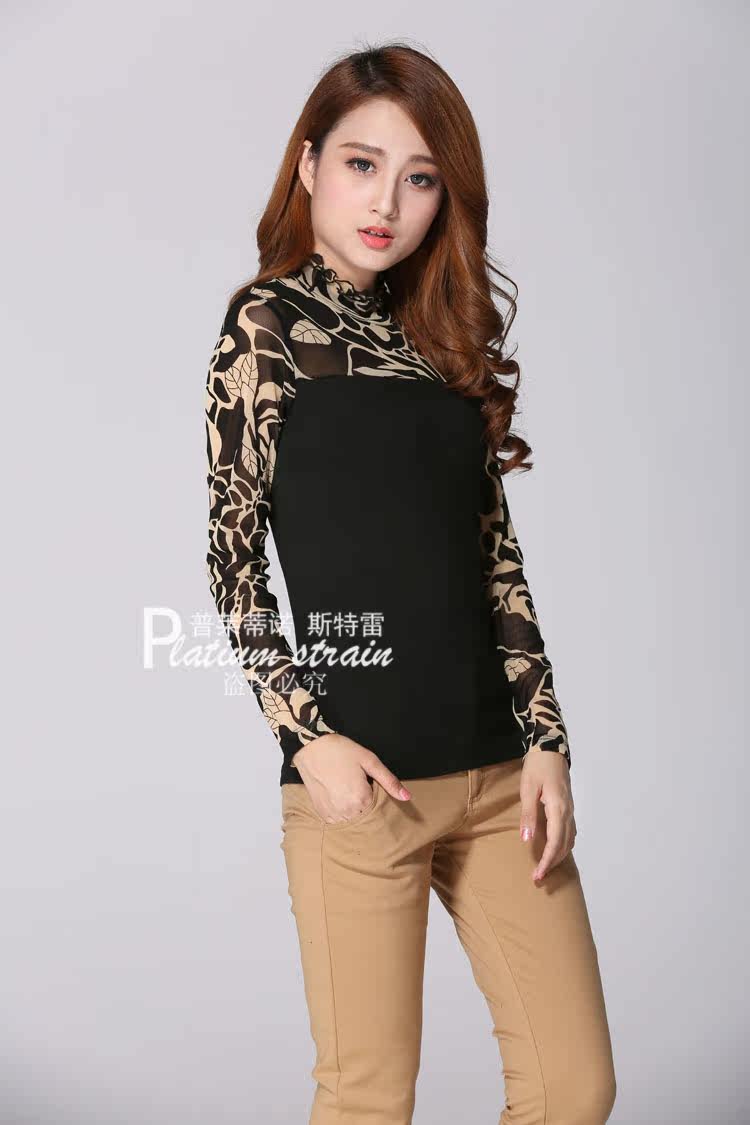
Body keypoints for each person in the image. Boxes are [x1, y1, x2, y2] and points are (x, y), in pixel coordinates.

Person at [204, 41, 616, 1125]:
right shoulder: (267, 327)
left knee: (574, 1089)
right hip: (364, 786)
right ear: (308, 166)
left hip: (499, 780)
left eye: (420, 177)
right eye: (362, 164)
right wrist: (309, 740)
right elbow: (232, 556)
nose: (388, 201)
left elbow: (496, 559)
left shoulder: (439, 340)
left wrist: (547, 740)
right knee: (368, 1104)